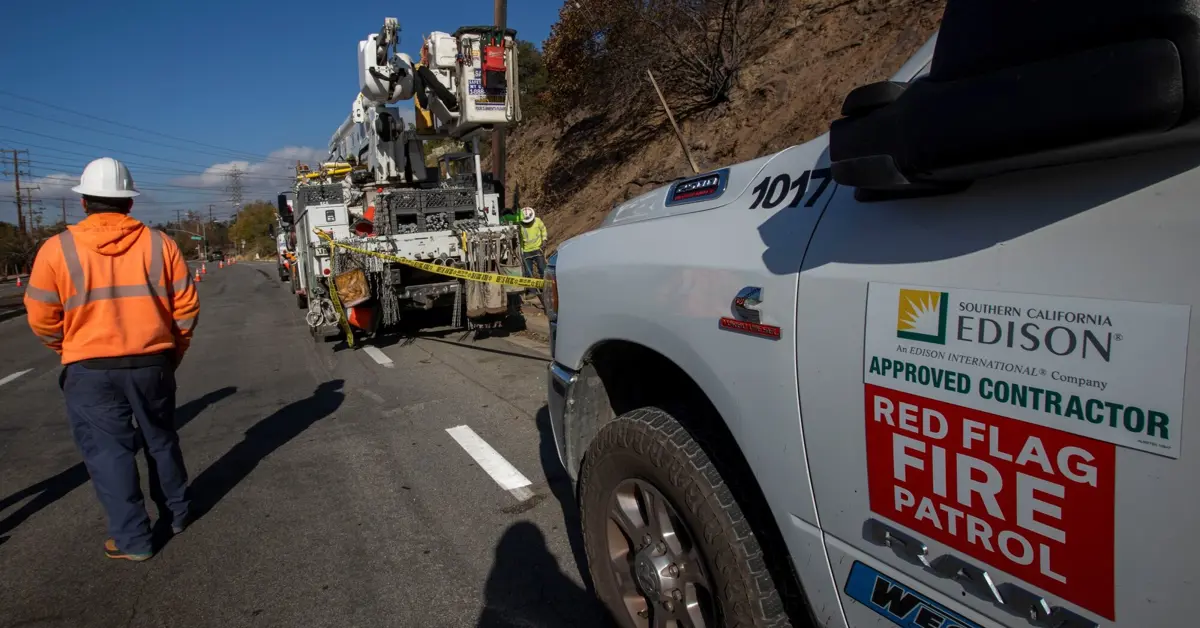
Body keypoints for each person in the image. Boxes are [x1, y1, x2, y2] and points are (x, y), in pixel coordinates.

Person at [23, 157, 200, 562]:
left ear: (83, 202)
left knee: (110, 453)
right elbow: (186, 309)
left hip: (90, 369)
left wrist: (68, 349)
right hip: (152, 362)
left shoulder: (56, 250)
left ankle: (134, 540)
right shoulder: (161, 244)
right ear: (130, 203)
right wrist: (173, 351)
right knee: (160, 440)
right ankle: (177, 514)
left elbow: (41, 317)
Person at [518, 207, 549, 290]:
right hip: (526, 251)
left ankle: (546, 288)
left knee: (542, 269)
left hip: (538, 248)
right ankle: (532, 291)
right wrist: (520, 250)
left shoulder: (538, 221)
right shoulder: (520, 225)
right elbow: (519, 238)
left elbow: (543, 230)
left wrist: (544, 240)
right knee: (528, 272)